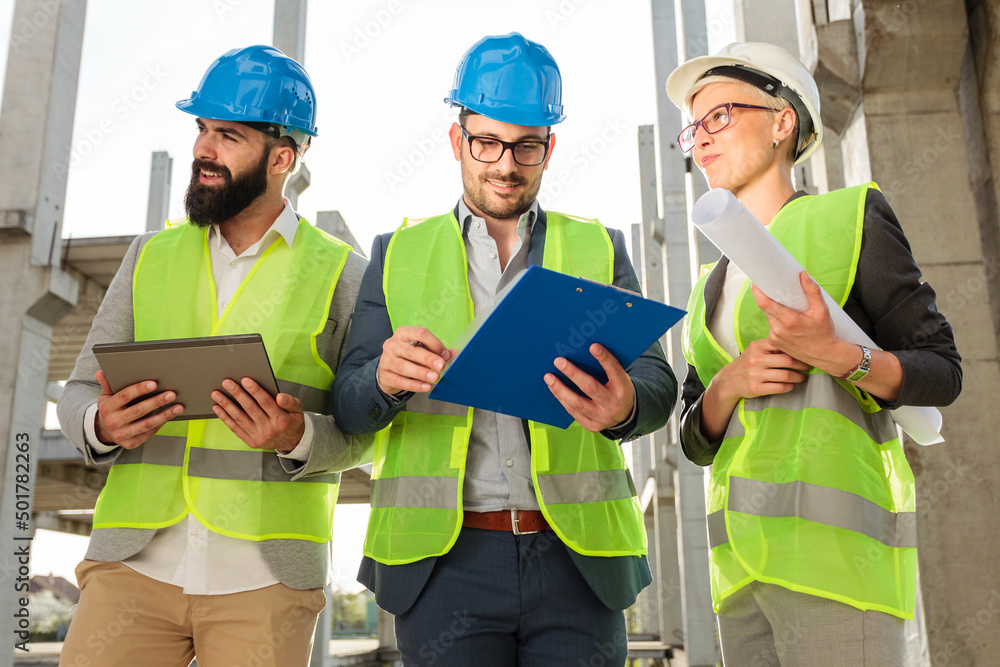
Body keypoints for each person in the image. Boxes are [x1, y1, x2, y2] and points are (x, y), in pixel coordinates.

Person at [331, 32, 676, 666]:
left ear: (550, 146)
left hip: (578, 564)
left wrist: (626, 407)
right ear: (457, 139)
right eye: (487, 142)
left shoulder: (599, 248)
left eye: (526, 146)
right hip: (443, 566)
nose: (506, 164)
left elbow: (658, 385)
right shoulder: (395, 254)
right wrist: (381, 379)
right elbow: (348, 405)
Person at [56, 45, 371, 666]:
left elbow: (371, 429)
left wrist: (296, 435)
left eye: (227, 135)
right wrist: (101, 423)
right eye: (201, 130)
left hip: (267, 577)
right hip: (131, 568)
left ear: (283, 157)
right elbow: (77, 393)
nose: (203, 149)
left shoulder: (345, 275)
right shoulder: (148, 256)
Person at [666, 42, 963, 666]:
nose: (701, 139)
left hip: (837, 564)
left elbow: (942, 371)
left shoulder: (848, 220)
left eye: (718, 116)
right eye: (693, 128)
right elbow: (694, 441)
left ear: (782, 122)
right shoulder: (703, 290)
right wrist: (729, 386)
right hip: (742, 576)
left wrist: (841, 356)